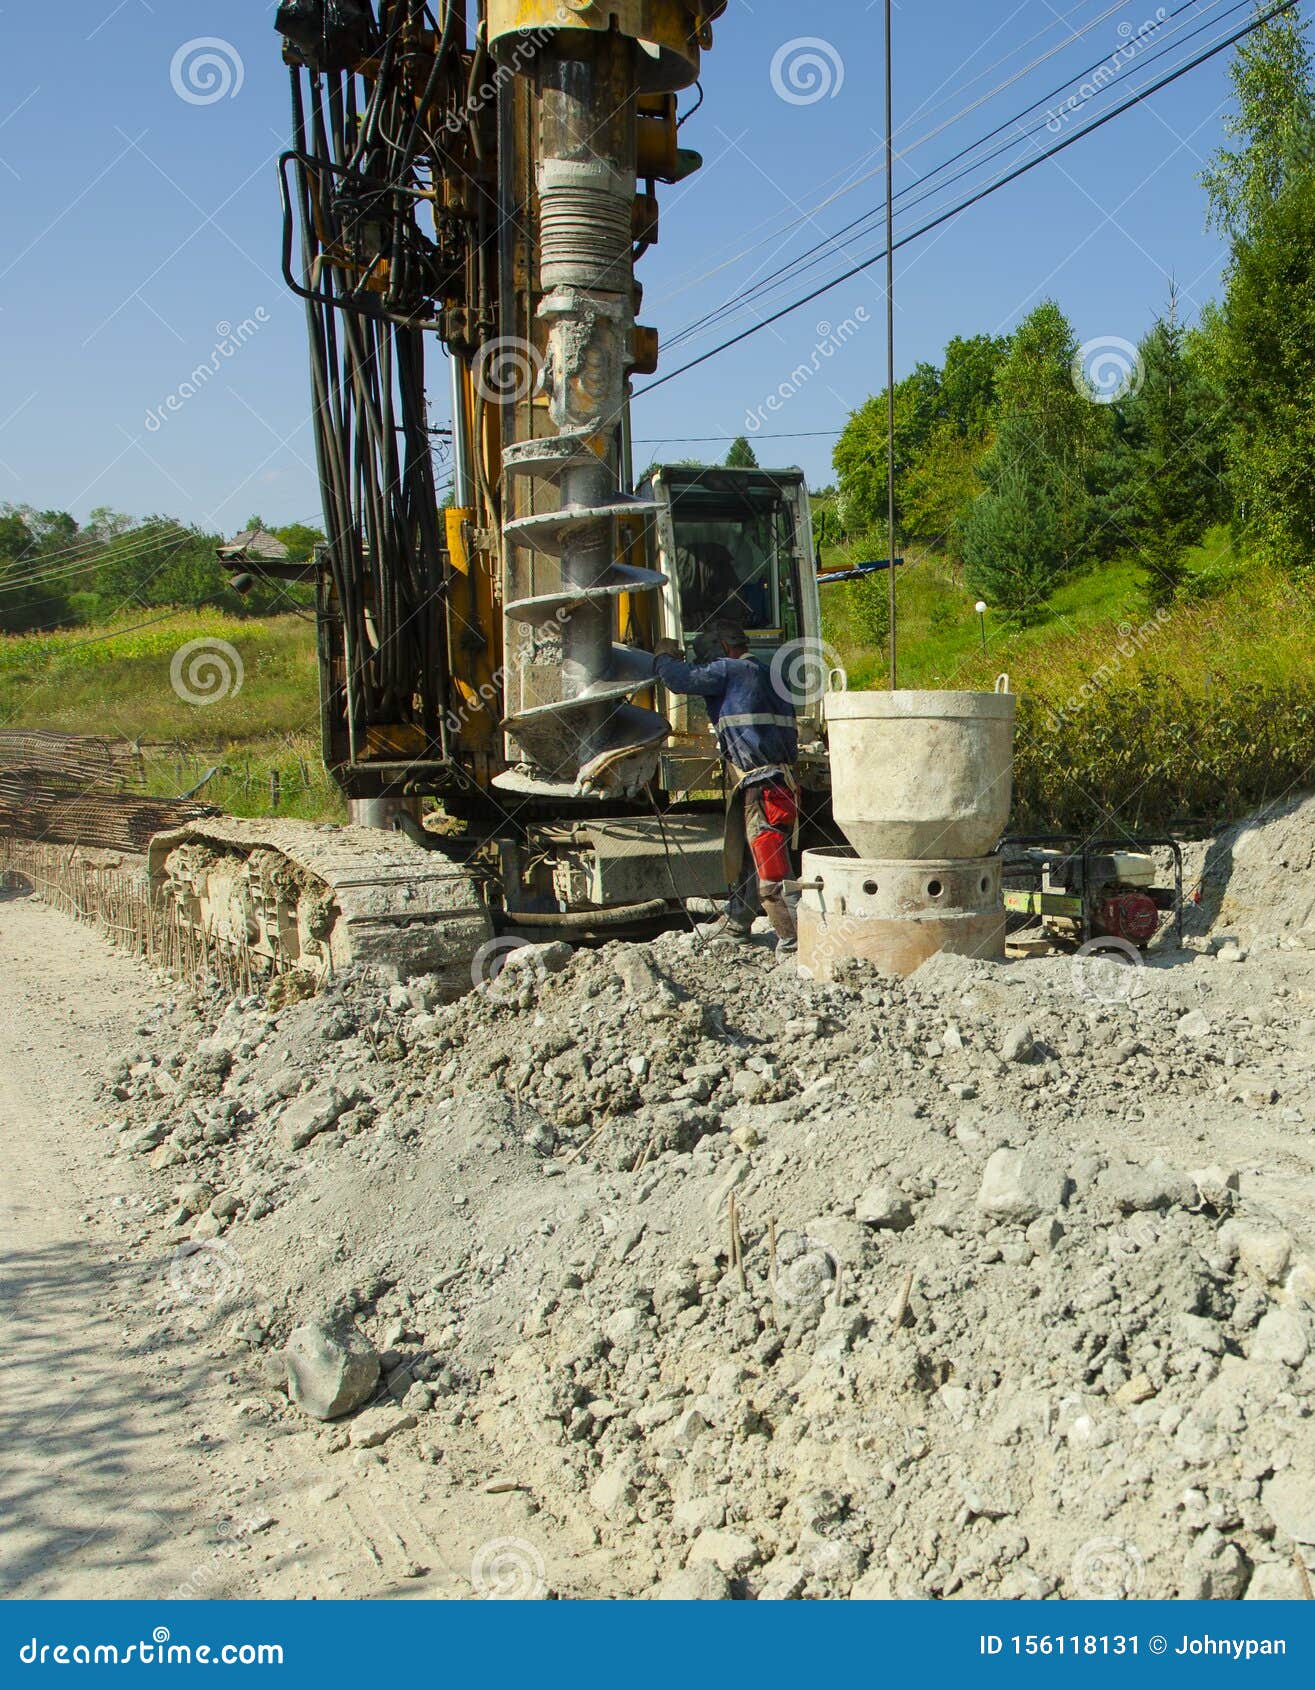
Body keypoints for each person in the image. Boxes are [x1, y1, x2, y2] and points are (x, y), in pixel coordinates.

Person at [653, 617, 800, 953]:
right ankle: (738, 923)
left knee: (769, 863)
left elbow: (679, 680)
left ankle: (794, 941)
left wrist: (663, 656)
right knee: (751, 858)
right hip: (778, 781)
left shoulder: (730, 671)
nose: (709, 668)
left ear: (723, 649)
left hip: (761, 783)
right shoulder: (768, 675)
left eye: (709, 660)